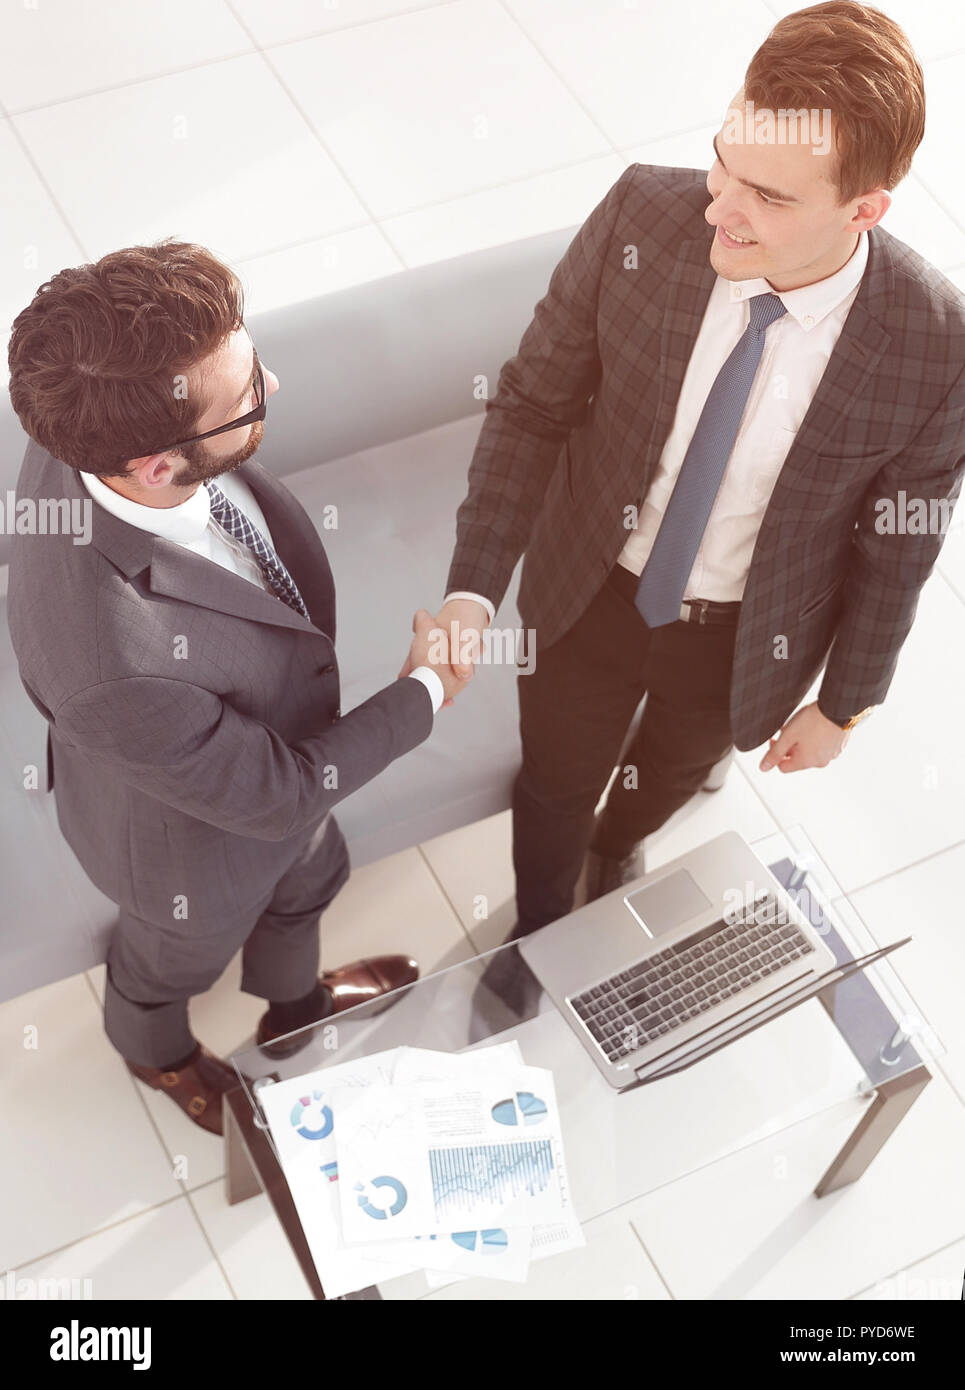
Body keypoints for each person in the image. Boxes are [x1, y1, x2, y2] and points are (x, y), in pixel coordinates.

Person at [402, 1, 964, 987]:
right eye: (721, 161)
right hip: (589, 589)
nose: (717, 206)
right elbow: (531, 405)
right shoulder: (639, 216)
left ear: (863, 209)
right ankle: (536, 928)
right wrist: (470, 588)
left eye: (766, 197)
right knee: (551, 783)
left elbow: (897, 543)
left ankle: (619, 847)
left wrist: (844, 703)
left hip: (747, 631)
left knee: (667, 769)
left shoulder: (934, 343)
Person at [6, 242, 466, 1135]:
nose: (277, 388)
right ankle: (154, 1052)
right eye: (251, 393)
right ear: (153, 468)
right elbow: (277, 794)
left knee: (311, 873)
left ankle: (293, 1013)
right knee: (171, 962)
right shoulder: (114, 662)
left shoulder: (83, 413)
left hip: (266, 764)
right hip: (190, 852)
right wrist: (429, 690)